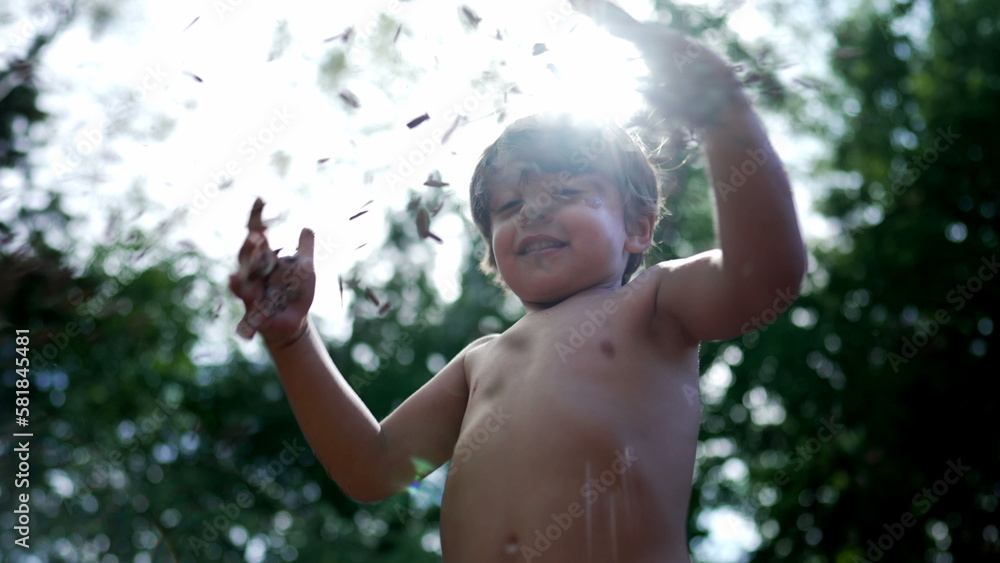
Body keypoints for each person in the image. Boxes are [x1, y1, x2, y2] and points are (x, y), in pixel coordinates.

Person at [228, 2, 806, 561]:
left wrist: (723, 114)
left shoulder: (654, 303)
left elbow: (764, 277)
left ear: (636, 226)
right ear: (490, 250)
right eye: (508, 205)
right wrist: (292, 338)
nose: (531, 212)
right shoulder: (481, 362)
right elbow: (372, 466)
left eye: (567, 192)